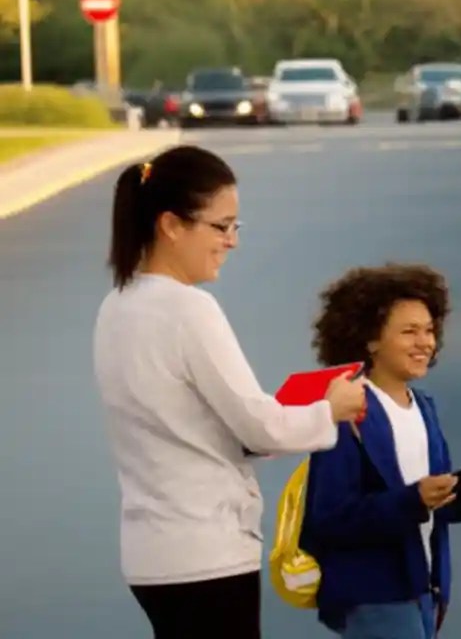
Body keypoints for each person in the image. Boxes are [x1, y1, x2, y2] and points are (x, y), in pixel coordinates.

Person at [93, 145, 369, 639]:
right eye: (221, 226)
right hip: (206, 552)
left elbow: (190, 425)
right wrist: (330, 408)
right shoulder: (188, 309)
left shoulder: (116, 305)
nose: (232, 241)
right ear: (171, 224)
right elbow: (260, 426)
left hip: (151, 553)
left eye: (235, 226)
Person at [300, 263, 461, 639]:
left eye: (429, 330)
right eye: (409, 331)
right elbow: (329, 520)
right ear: (370, 340)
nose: (425, 342)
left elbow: (431, 507)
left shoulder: (424, 407)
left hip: (425, 589)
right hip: (375, 596)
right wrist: (412, 500)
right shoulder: (347, 413)